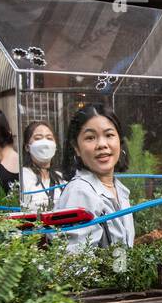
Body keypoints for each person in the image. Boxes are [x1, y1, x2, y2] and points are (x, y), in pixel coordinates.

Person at [54, 104, 134, 251]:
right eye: (90, 137)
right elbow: (75, 264)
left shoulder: (119, 189)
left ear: (120, 142)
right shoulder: (79, 193)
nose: (102, 144)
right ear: (76, 147)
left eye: (109, 135)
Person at [20, 119, 61, 211]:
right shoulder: (22, 177)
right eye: (38, 138)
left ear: (55, 146)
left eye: (49, 138)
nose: (45, 143)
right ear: (27, 147)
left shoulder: (62, 179)